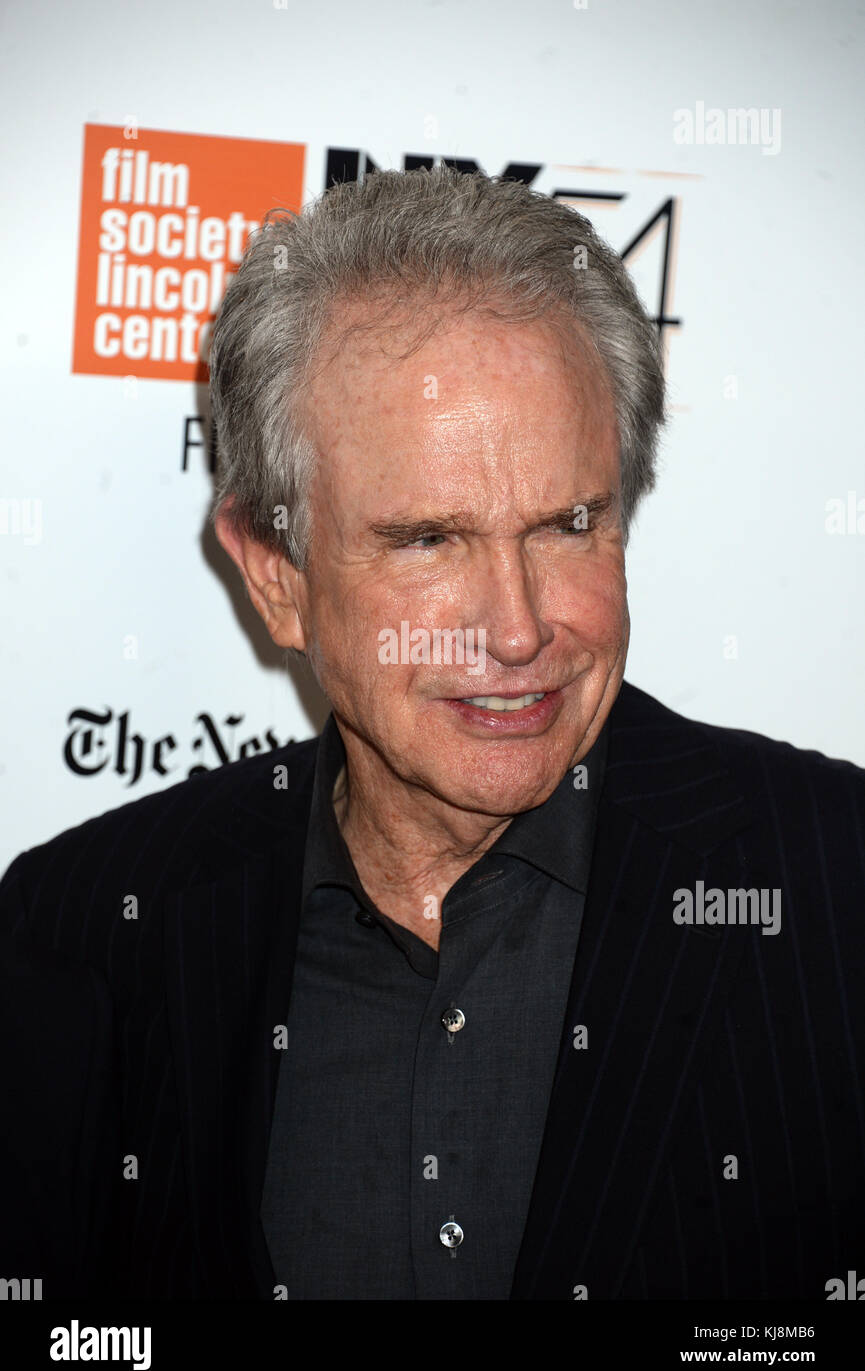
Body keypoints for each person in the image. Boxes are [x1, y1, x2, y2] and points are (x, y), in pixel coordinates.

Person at [2, 166, 863, 1301]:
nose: (518, 630)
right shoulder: (83, 929)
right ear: (277, 578)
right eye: (426, 540)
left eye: (568, 524)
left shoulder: (836, 880)